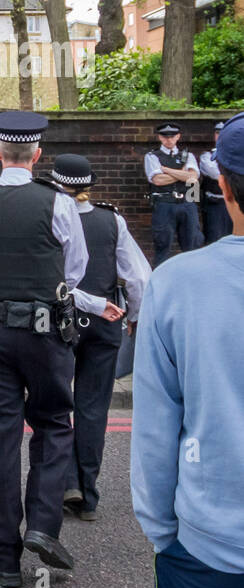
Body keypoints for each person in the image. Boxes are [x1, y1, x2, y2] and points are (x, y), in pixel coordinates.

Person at [0, 111, 123, 588]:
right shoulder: (57, 203)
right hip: (46, 336)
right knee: (52, 425)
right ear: (37, 154)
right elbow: (75, 270)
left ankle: (4, 555)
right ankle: (43, 526)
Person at [132, 110, 244, 588]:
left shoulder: (176, 286)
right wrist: (180, 177)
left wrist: (162, 535)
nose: (171, 140)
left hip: (212, 550)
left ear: (226, 182)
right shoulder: (167, 159)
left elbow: (157, 425)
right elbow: (164, 178)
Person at [47, 154, 150, 522]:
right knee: (93, 408)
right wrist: (135, 318)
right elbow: (139, 278)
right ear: (90, 186)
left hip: (60, 323)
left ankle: (66, 482)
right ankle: (88, 496)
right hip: (105, 323)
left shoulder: (48, 217)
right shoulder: (113, 219)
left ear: (56, 183)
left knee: (58, 405)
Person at [144, 122, 201, 266]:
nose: (169, 139)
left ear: (178, 136)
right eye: (165, 136)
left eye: (172, 136)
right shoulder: (152, 156)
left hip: (188, 202)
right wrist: (182, 173)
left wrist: (167, 170)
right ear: (160, 137)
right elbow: (157, 180)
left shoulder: (188, 155)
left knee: (192, 246)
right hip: (164, 203)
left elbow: (193, 178)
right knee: (162, 246)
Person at [199, 121, 230, 245]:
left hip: (236, 202)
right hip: (215, 203)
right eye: (217, 133)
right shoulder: (207, 155)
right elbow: (214, 173)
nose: (220, 136)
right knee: (214, 239)